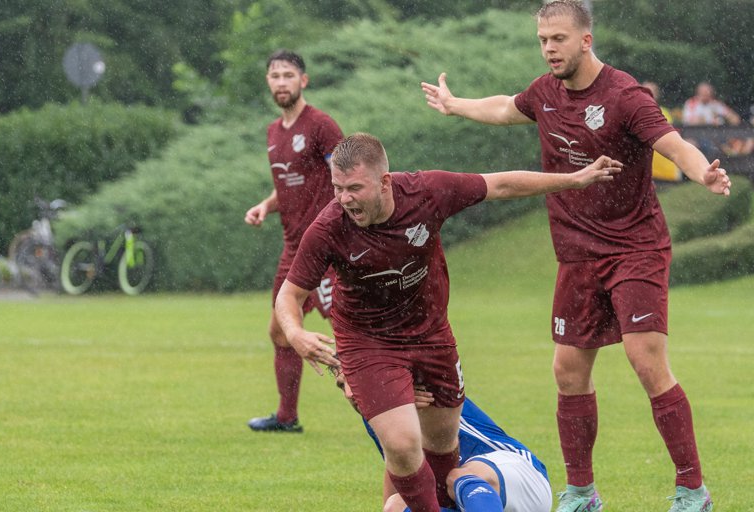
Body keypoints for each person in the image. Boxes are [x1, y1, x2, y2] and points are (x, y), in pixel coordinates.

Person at [420, 2, 730, 511]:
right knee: (567, 371)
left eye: (558, 39)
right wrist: (456, 105)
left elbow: (672, 145)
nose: (548, 49)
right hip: (578, 256)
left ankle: (692, 491)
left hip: (635, 248)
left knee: (645, 361)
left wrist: (704, 174)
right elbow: (504, 108)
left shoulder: (625, 95)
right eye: (543, 40)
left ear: (586, 40)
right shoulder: (545, 93)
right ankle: (583, 494)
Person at [274, 133, 623, 512]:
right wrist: (295, 333)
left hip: (432, 337)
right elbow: (289, 295)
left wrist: (573, 180)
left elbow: (500, 183)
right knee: (405, 445)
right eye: (338, 188)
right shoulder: (329, 228)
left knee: (441, 448)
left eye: (354, 188)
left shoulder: (427, 192)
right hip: (368, 342)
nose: (344, 199)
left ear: (385, 182)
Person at [244, 50, 343, 433]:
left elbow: (347, 177)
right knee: (280, 330)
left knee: (353, 331)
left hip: (328, 249)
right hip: (292, 249)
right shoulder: (273, 132)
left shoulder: (321, 126)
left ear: (304, 81)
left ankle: (386, 405)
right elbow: (286, 183)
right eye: (275, 75)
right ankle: (287, 417)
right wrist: (265, 206)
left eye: (288, 75)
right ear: (268, 82)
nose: (281, 82)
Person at [336, 371, 552, 512]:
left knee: (458, 475)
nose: (348, 394)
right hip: (467, 503)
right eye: (341, 385)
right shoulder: (377, 415)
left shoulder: (421, 385)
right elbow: (399, 477)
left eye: (354, 381)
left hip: (520, 480)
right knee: (395, 506)